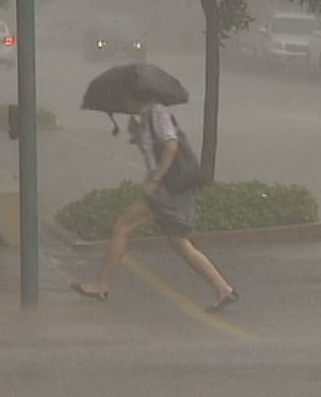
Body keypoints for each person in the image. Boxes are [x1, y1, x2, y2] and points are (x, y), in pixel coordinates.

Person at [71, 90, 240, 312]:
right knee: (179, 243)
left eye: (124, 98)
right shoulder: (147, 115)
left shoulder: (157, 112)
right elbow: (155, 153)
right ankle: (224, 290)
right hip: (166, 188)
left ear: (136, 96)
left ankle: (102, 285)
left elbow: (171, 146)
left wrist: (156, 179)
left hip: (167, 189)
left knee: (122, 227)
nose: (123, 103)